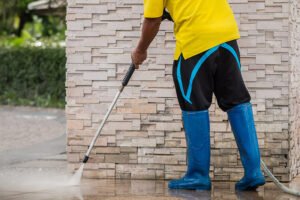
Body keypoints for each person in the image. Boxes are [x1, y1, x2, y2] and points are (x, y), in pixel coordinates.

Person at [131, 0, 265, 191]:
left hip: (196, 41)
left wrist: (140, 50)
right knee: (237, 101)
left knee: (193, 104)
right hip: (227, 36)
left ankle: (197, 175)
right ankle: (253, 172)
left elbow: (152, 20)